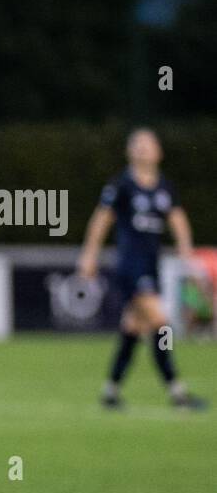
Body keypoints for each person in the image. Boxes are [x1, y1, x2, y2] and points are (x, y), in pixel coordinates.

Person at [77, 128, 205, 409]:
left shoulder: (164, 188)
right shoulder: (121, 185)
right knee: (162, 324)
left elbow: (178, 221)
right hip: (130, 266)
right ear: (129, 152)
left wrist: (187, 256)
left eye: (148, 145)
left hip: (151, 266)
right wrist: (89, 255)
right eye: (137, 145)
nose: (142, 149)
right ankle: (178, 392)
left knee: (133, 328)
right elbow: (102, 219)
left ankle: (110, 392)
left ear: (159, 152)